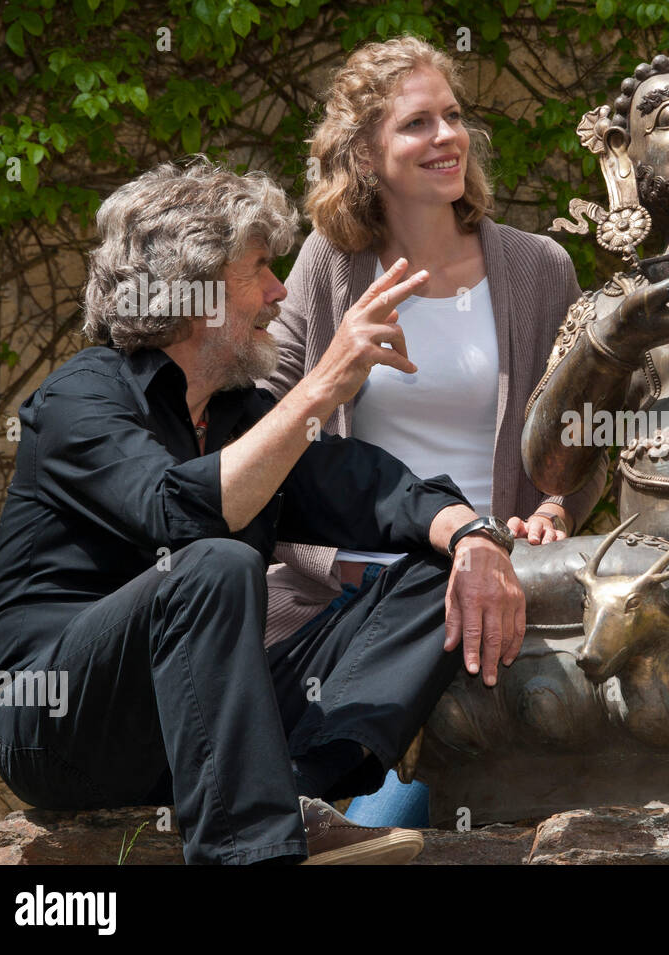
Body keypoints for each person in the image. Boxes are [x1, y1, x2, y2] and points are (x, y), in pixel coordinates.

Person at [0, 157, 526, 864]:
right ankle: (254, 852)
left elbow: (365, 488)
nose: (279, 292)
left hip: (196, 733)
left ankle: (293, 792)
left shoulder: (239, 413)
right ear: (197, 291)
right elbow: (180, 513)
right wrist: (323, 383)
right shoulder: (79, 399)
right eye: (261, 268)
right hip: (59, 725)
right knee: (211, 561)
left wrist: (476, 537)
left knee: (433, 568)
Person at [259, 34, 605, 826]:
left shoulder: (536, 267)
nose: (447, 137)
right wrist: (334, 368)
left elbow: (580, 428)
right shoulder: (328, 266)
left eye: (452, 116)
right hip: (352, 583)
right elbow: (264, 430)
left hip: (495, 569)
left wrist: (554, 510)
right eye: (417, 124)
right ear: (365, 154)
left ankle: (329, 817)